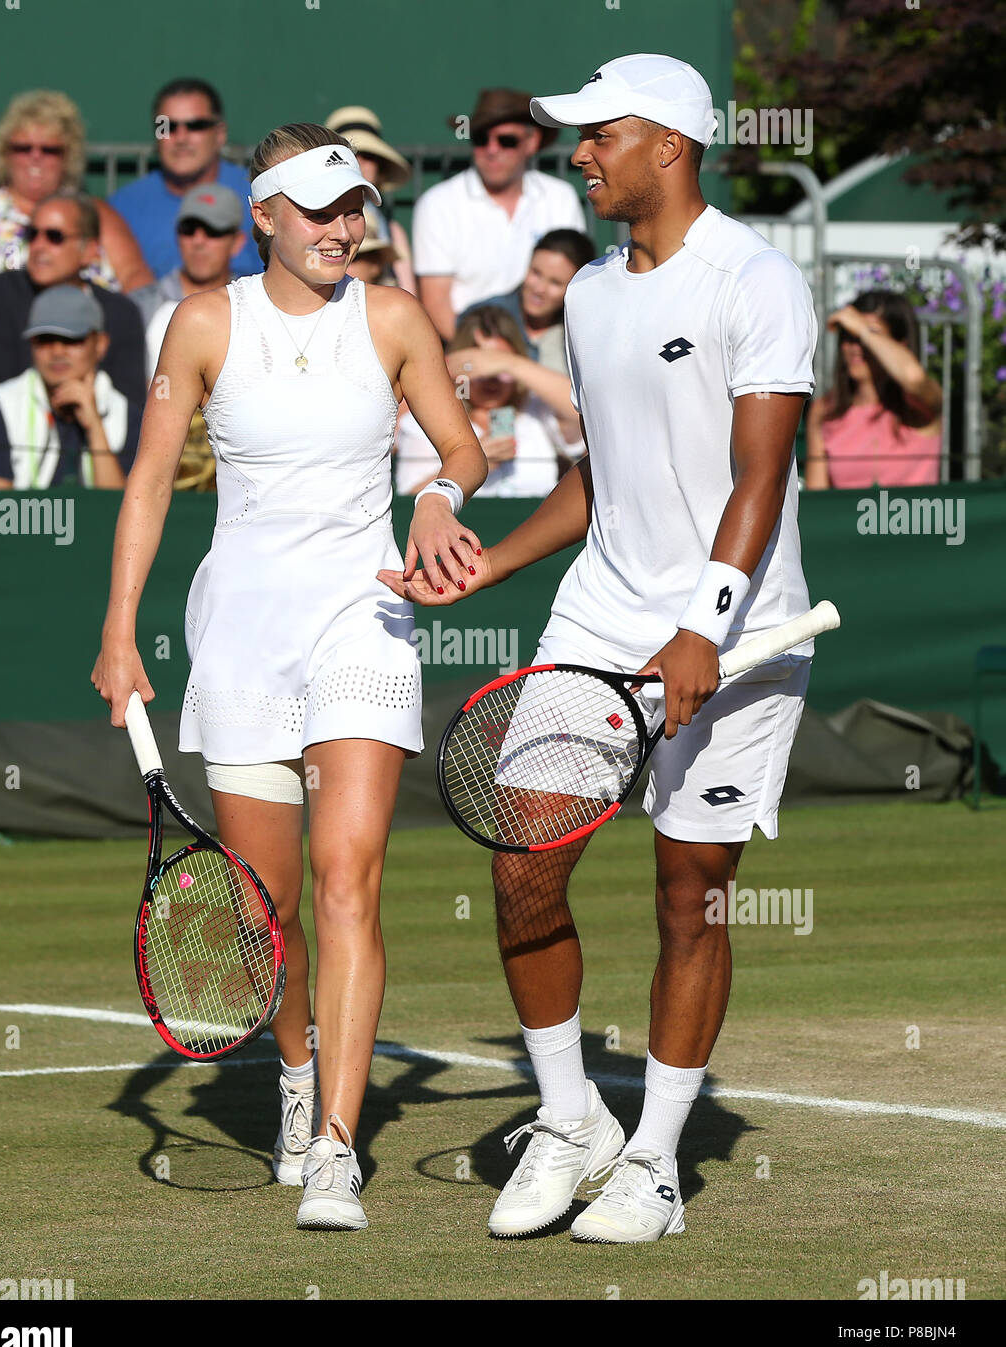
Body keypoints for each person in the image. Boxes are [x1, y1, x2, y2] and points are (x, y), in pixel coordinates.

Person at [380, 53, 817, 1245]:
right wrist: (494, 561)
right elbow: (598, 477)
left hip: (741, 632)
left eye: (597, 136)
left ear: (666, 145)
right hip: (599, 616)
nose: (577, 153)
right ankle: (567, 1120)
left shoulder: (759, 280)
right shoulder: (589, 294)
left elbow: (760, 474)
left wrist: (701, 626)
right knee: (523, 865)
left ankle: (656, 1165)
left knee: (691, 895)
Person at [90, 123, 487, 1232]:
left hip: (363, 623)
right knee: (270, 911)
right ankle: (297, 1068)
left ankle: (335, 1148)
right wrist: (119, 629)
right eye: (317, 209)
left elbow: (462, 449)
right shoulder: (205, 321)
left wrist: (437, 497)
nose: (341, 227)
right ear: (261, 213)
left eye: (353, 205)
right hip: (239, 635)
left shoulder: (396, 317)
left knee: (348, 872)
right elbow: (150, 486)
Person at [0, 89, 150, 392]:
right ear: (5, 153)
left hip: (88, 353)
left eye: (49, 149)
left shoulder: (96, 216)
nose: (35, 156)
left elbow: (138, 281)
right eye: (22, 147)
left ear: (68, 157)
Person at [413, 88, 586, 341]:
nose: (492, 149)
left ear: (532, 142)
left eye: (506, 140)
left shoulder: (560, 197)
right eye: (481, 138)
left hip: (552, 347)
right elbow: (436, 302)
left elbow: (576, 288)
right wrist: (483, 355)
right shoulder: (438, 204)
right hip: (470, 349)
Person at [0, 192, 146, 411]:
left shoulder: (121, 313)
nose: (39, 245)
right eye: (32, 234)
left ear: (89, 251)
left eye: (54, 236)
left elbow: (130, 406)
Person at [395, 306, 583, 497]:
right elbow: (410, 496)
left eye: (500, 369)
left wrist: (510, 364)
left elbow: (582, 409)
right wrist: (469, 464)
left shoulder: (537, 412)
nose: (492, 378)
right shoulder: (424, 421)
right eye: (480, 369)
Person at [0, 285, 138, 489]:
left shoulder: (127, 414)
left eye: (72, 339)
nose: (57, 351)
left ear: (100, 344)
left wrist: (95, 427)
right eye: (45, 340)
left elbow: (121, 510)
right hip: (28, 521)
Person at [133, 184, 246, 492]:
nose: (199, 240)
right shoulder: (138, 307)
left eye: (213, 230)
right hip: (154, 465)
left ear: (237, 242)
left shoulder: (255, 306)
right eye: (189, 229)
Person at [108, 78, 262, 280]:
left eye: (196, 125)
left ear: (220, 134)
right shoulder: (121, 209)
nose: (181, 138)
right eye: (167, 126)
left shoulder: (258, 198)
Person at [804, 290, 942, 488]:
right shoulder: (825, 410)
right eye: (849, 337)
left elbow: (913, 377)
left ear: (900, 345)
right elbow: (819, 499)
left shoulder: (918, 407)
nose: (855, 347)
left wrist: (863, 329)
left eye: (870, 336)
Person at [459, 228, 596, 373]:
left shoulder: (583, 333)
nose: (539, 289)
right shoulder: (484, 316)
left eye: (555, 282)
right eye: (536, 273)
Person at [325, 107, 415, 293]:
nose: (360, 162)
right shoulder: (309, 225)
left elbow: (408, 294)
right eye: (350, 155)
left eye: (369, 156)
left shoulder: (394, 232)